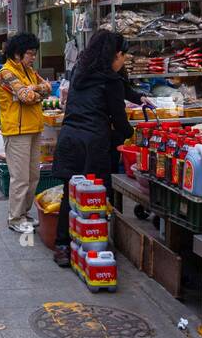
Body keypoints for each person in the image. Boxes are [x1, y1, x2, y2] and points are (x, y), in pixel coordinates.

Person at [51, 30, 143, 266]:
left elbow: (123, 87)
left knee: (69, 194)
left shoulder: (80, 72)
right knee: (94, 197)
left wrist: (139, 98)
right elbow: (120, 119)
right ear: (116, 54)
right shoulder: (109, 80)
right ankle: (93, 244)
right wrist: (131, 136)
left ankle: (62, 246)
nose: (124, 61)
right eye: (123, 56)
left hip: (69, 139)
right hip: (93, 143)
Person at [0, 32, 50, 233]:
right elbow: (26, 96)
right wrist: (34, 92)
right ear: (17, 54)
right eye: (30, 54)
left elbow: (48, 88)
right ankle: (15, 217)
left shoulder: (29, 71)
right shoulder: (6, 73)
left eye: (34, 54)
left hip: (34, 127)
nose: (33, 58)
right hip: (17, 131)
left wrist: (33, 89)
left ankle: (25, 213)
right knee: (20, 177)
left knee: (33, 176)